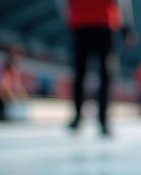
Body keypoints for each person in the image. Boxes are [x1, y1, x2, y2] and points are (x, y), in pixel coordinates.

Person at [57, 0, 135, 136]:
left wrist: (127, 26)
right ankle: (92, 119)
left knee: (93, 74)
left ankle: (97, 119)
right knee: (94, 74)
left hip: (96, 23)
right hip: (92, 23)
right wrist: (127, 26)